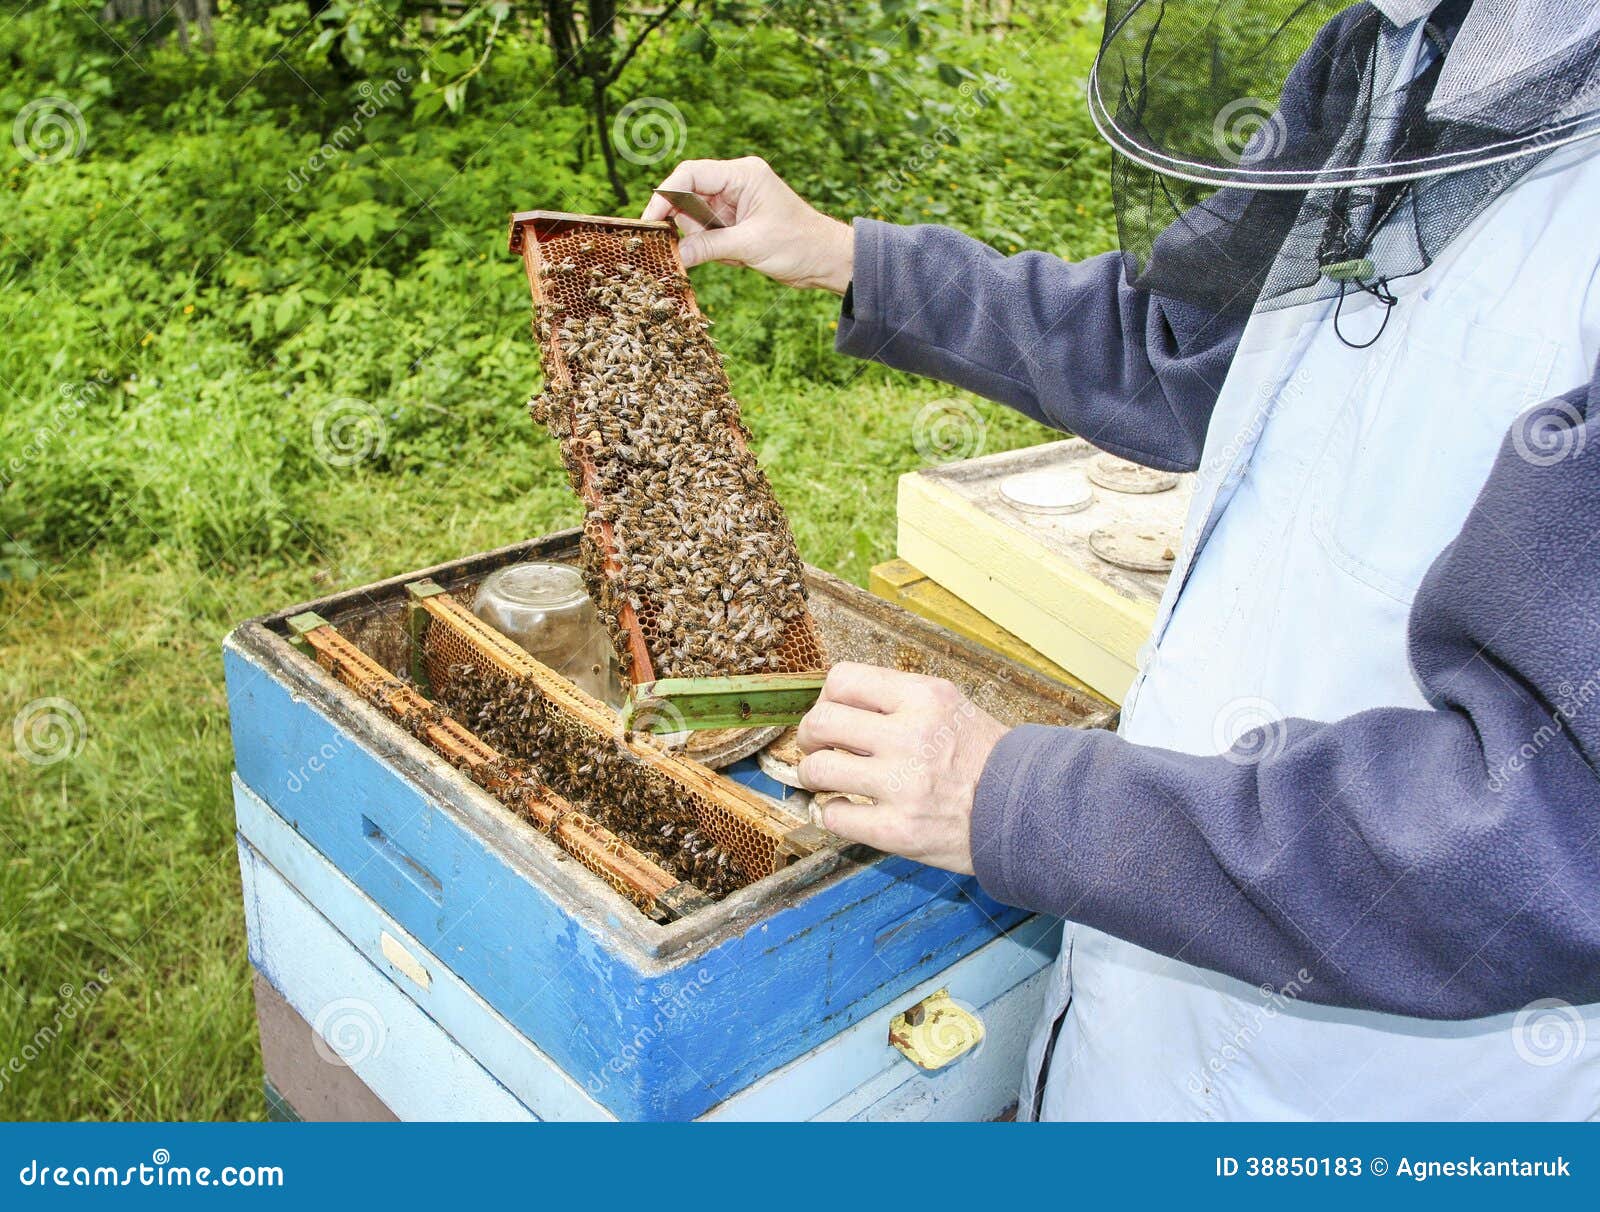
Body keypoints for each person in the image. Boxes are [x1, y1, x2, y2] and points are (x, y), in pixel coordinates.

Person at [643, 0, 1600, 1120]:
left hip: (1407, 1095)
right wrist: (849, 258)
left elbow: (1550, 834)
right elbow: (1178, 349)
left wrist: (1018, 800)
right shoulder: (1395, 52)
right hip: (1150, 979)